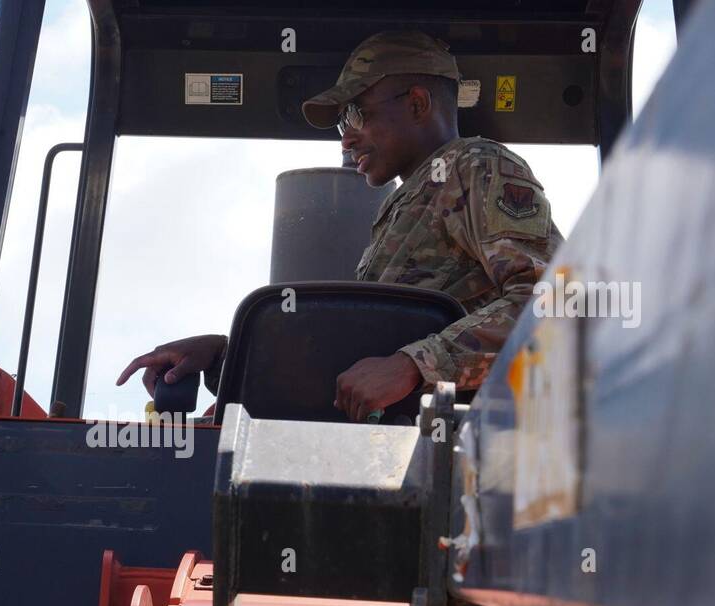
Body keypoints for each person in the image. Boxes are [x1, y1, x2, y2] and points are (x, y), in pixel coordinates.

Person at [117, 30, 563, 423]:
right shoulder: (406, 205)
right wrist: (226, 358)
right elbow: (355, 374)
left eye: (356, 115)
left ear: (417, 103)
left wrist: (414, 366)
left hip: (462, 476)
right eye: (341, 124)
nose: (346, 137)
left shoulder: (476, 165)